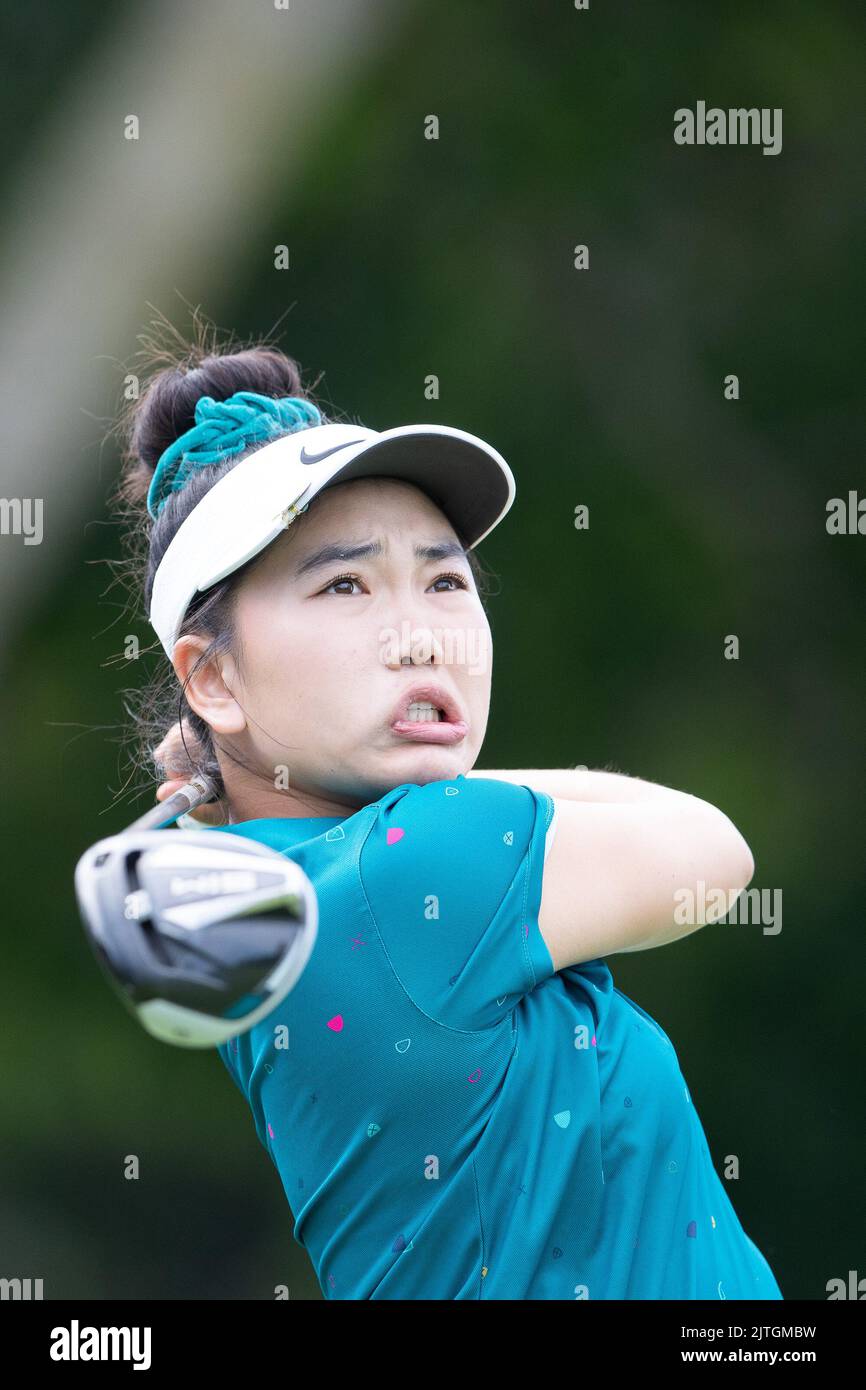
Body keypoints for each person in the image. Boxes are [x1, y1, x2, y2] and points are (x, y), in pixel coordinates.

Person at [116, 329, 783, 1301]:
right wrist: (448, 788)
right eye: (344, 584)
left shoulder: (294, 889)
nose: (416, 635)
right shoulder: (414, 870)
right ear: (211, 677)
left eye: (443, 580)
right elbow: (713, 851)